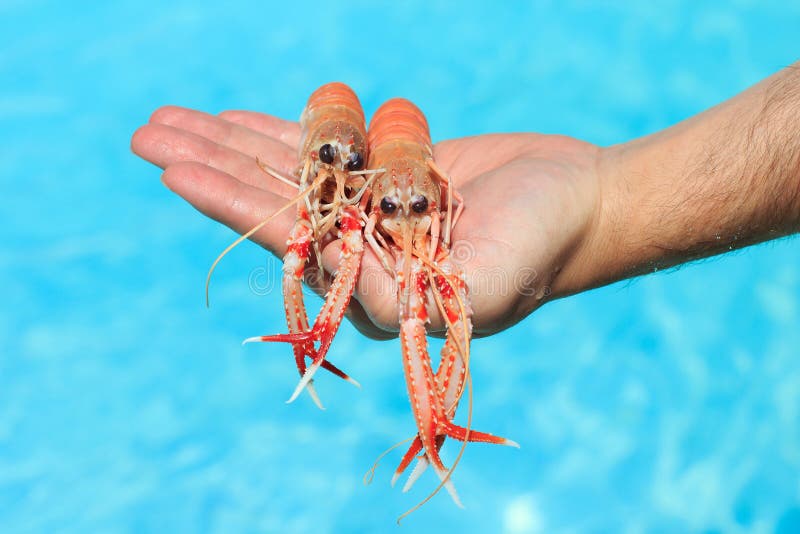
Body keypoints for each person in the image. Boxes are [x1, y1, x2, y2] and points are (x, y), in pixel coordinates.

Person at [130, 63, 800, 340]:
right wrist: (602, 196)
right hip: (359, 144)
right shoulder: (340, 166)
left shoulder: (420, 193)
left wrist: (602, 202)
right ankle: (312, 338)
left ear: (439, 197)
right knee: (314, 237)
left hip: (402, 152)